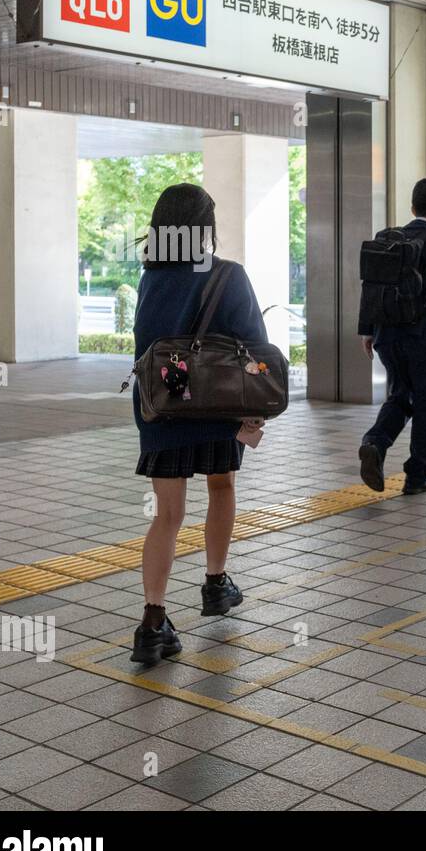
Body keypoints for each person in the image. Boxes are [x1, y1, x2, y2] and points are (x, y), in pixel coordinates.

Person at [129, 183, 268, 665]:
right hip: (214, 406)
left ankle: (152, 622)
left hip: (163, 407)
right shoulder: (228, 274)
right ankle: (215, 583)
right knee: (222, 487)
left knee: (167, 515)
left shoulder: (150, 278)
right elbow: (255, 347)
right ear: (206, 227)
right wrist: (251, 414)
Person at [358, 177, 426, 495]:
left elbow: (370, 286)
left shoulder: (386, 238)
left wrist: (367, 331)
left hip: (387, 336)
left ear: (412, 206)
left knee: (401, 396)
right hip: (425, 339)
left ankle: (375, 443)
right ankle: (418, 475)